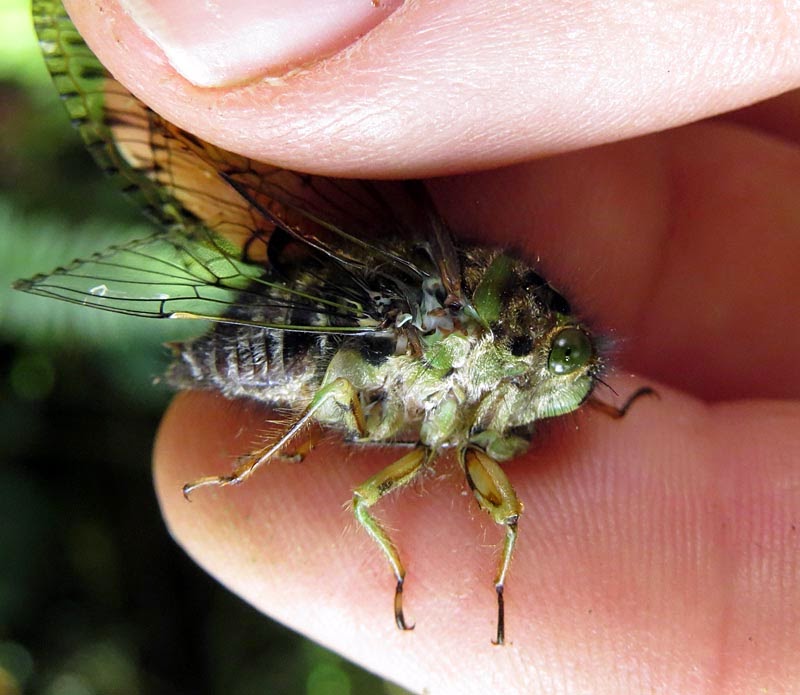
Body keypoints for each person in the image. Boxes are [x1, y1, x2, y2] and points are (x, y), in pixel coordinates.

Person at [67, 1, 800, 692]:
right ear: (512, 341)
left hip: (364, 326)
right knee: (348, 439)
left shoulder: (501, 376)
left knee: (401, 490)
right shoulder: (465, 350)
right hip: (299, 335)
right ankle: (246, 468)